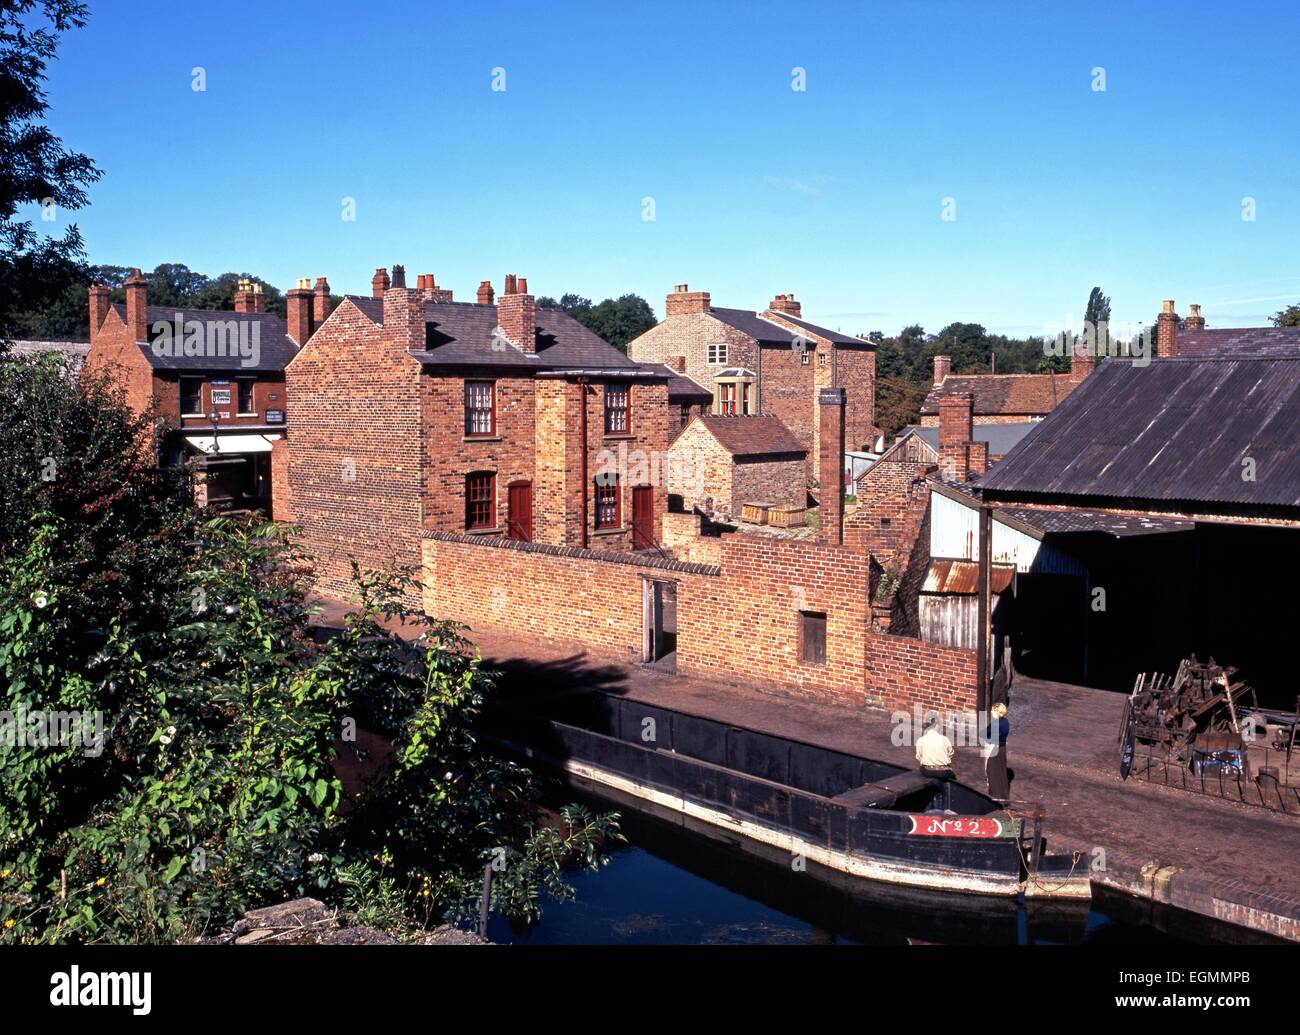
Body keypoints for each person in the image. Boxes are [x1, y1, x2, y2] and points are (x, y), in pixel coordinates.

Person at [984, 702, 1011, 800]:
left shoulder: (996, 724)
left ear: (997, 712)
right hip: (1002, 749)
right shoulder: (1006, 722)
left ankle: (995, 797)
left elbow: (986, 734)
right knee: (1001, 773)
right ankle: (1003, 796)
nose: (991, 713)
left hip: (994, 749)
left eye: (992, 711)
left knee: (993, 773)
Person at [915, 714, 955, 779]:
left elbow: (919, 757)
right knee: (950, 778)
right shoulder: (945, 739)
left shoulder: (920, 740)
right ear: (936, 726)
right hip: (944, 772)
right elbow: (951, 754)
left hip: (927, 771)